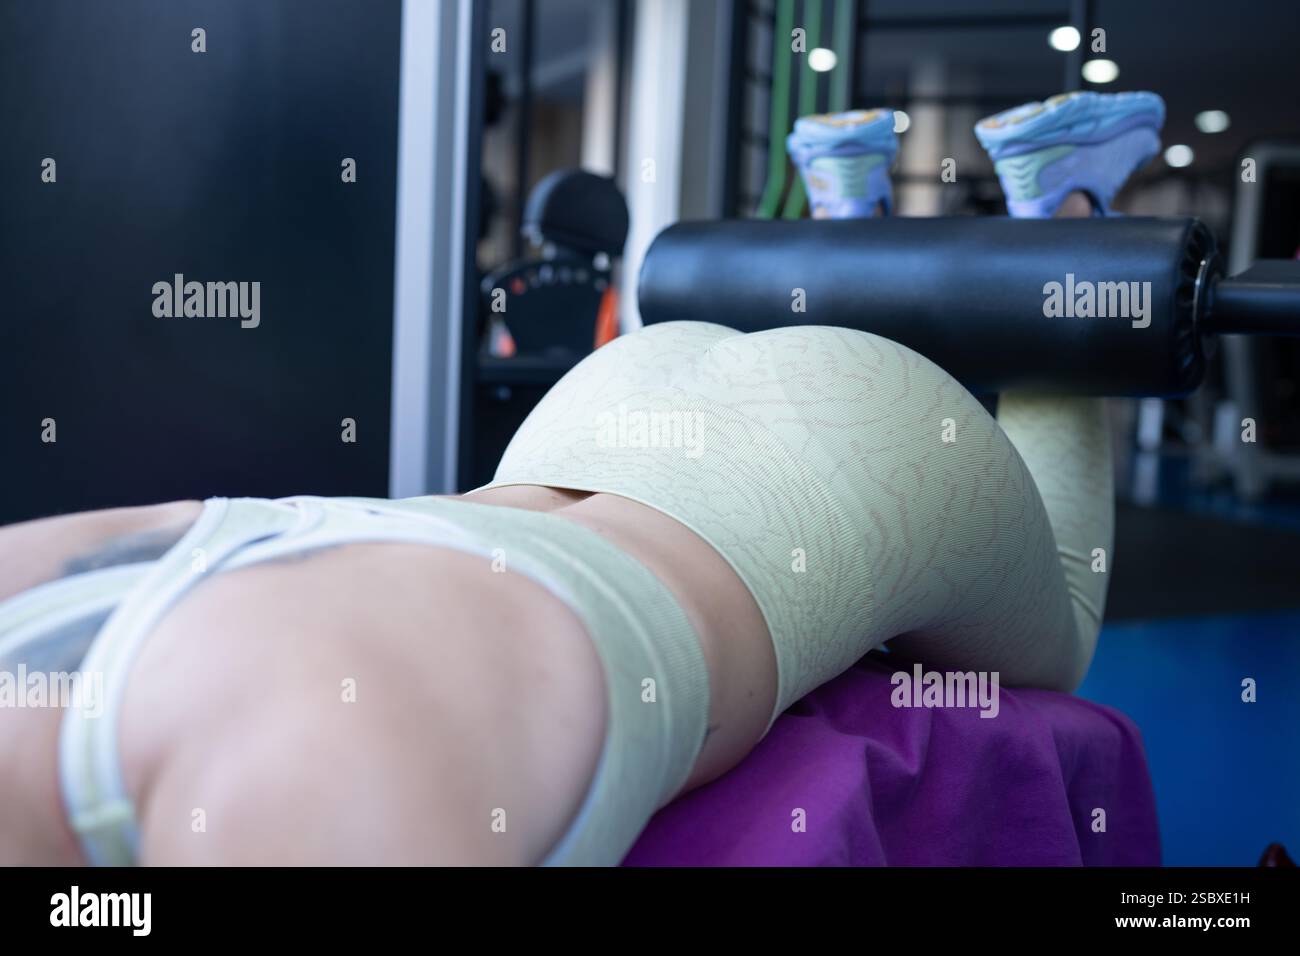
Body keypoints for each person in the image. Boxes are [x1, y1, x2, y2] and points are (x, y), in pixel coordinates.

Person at [0, 90, 1163, 867]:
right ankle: (895, 211)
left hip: (766, 448)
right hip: (574, 447)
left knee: (1055, 623)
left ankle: (1037, 206)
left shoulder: (306, 792)